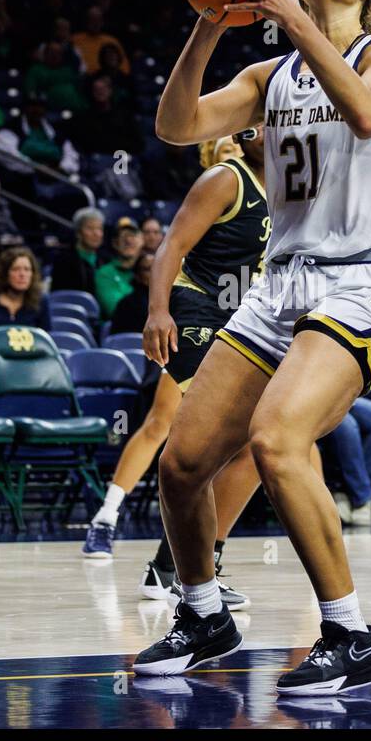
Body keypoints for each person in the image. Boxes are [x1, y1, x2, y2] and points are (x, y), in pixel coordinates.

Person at [133, 0, 371, 694]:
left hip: (364, 278)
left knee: (277, 438)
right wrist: (209, 23)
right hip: (282, 284)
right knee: (182, 462)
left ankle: (352, 632)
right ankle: (202, 616)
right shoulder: (269, 75)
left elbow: (365, 114)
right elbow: (176, 126)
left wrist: (291, 15)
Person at [82, 130, 270, 622]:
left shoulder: (295, 192)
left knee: (255, 442)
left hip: (243, 321)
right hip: (195, 315)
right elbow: (172, 246)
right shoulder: (227, 180)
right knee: (175, 429)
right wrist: (158, 310)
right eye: (251, 128)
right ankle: (112, 520)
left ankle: (181, 566)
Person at [328, 397, 371, 526]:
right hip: (312, 399)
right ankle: (362, 499)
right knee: (346, 425)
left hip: (340, 395)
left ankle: (344, 489)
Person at [0, 246, 51, 328]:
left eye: (27, 269)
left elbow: (44, 338)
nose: (22, 274)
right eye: (16, 269)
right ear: (4, 273)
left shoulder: (41, 301)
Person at [94, 216, 144, 317]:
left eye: (132, 235)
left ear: (142, 240)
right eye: (123, 236)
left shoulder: (151, 270)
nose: (128, 240)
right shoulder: (104, 274)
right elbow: (115, 310)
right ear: (115, 243)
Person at [48, 206, 103, 294]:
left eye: (99, 228)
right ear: (78, 233)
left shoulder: (106, 260)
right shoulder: (63, 261)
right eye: (90, 228)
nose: (96, 233)